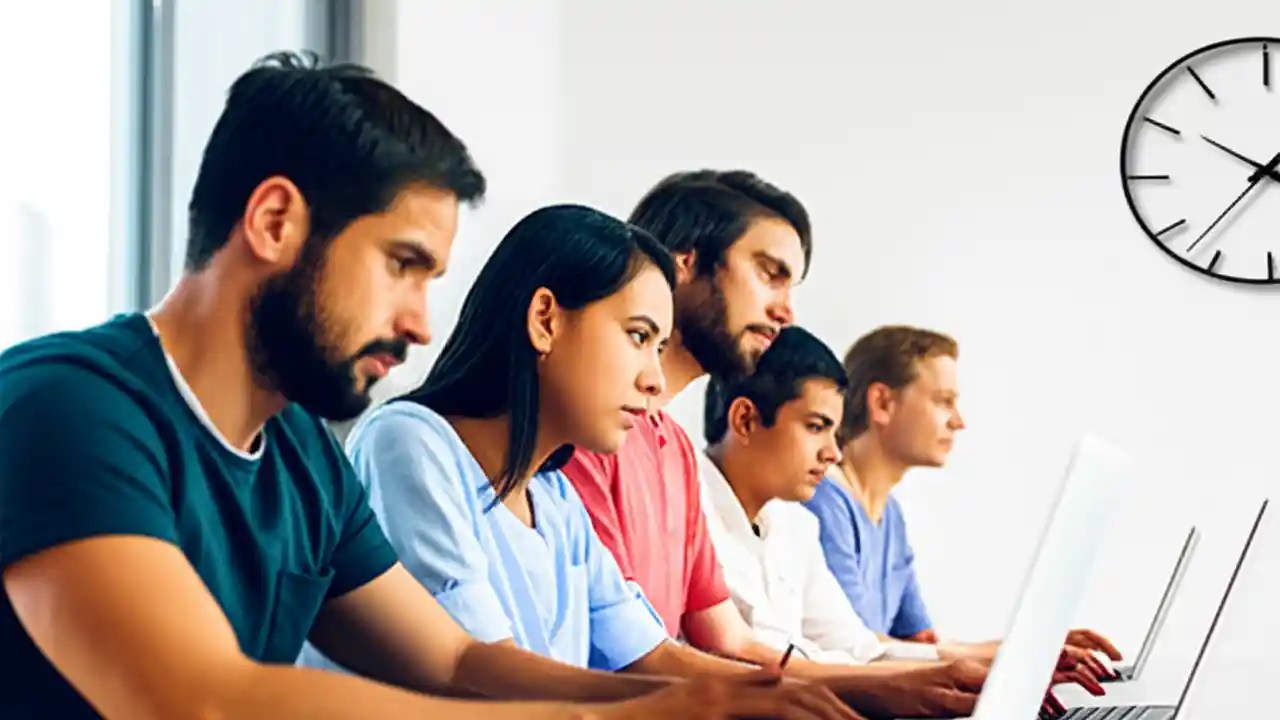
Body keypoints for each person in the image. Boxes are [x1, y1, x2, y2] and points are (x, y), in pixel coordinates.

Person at [0, 51, 837, 720]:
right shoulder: (70, 407)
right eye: (402, 266)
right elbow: (201, 699)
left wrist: (705, 700)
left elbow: (453, 659)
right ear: (274, 222)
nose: (420, 324)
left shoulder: (298, 453)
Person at [298, 203, 858, 720]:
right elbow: (474, 668)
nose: (654, 379)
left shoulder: (556, 498)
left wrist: (851, 691)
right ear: (545, 319)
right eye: (638, 336)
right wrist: (698, 701)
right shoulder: (409, 444)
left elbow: (651, 654)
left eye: (659, 347)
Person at [561, 170, 989, 719]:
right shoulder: (588, 440)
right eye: (770, 275)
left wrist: (914, 682)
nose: (788, 312)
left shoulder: (675, 454)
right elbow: (634, 657)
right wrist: (887, 686)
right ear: (681, 262)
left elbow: (732, 643)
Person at [701, 327, 1102, 718]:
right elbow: (759, 661)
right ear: (747, 421)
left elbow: (861, 648)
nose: (833, 453)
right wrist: (962, 673)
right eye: (816, 427)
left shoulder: (796, 525)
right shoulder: (699, 508)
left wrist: (1002, 664)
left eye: (833, 431)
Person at [802, 325, 1122, 684]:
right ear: (882, 403)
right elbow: (860, 650)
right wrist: (1017, 655)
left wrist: (1034, 649)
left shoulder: (890, 515)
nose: (959, 420)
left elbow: (919, 642)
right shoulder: (822, 505)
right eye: (943, 401)